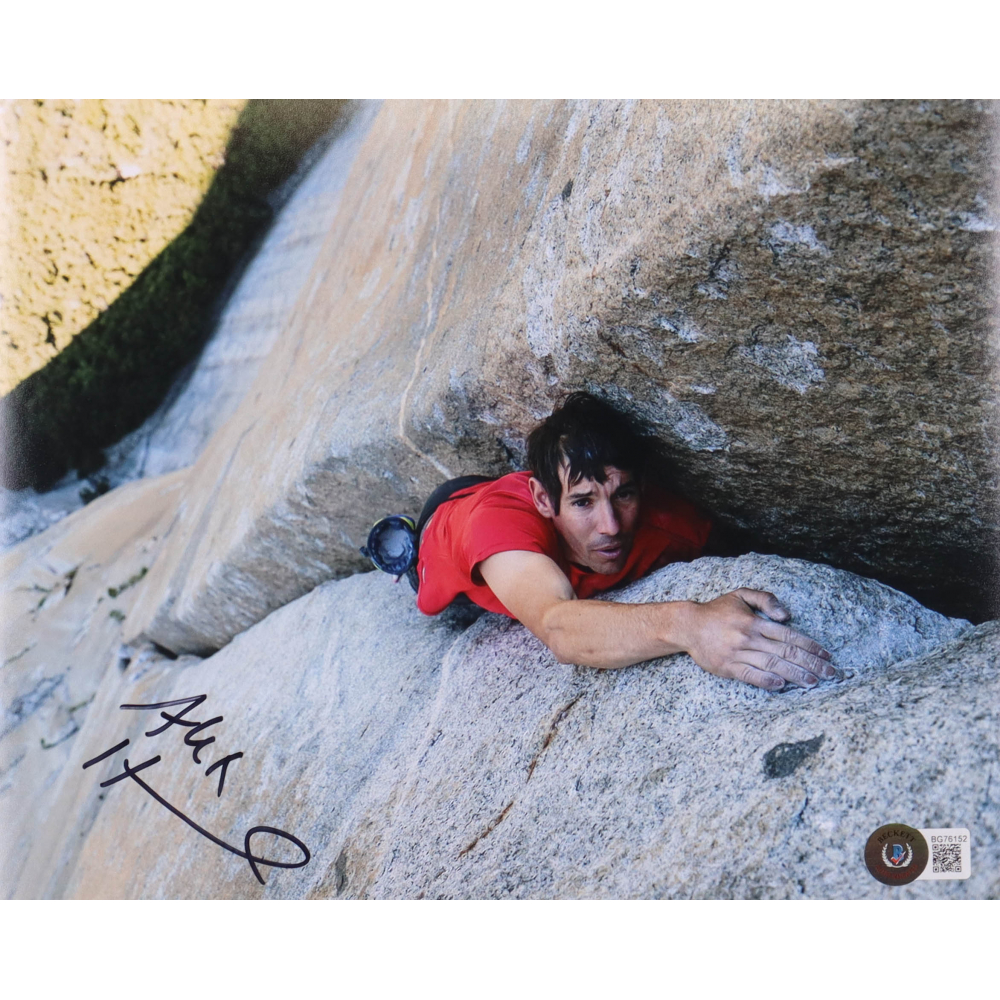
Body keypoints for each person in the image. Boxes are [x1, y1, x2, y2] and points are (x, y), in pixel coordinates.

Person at [377, 392, 836, 691]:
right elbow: (558, 629)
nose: (612, 526)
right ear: (543, 499)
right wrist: (691, 625)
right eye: (582, 502)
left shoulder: (672, 526)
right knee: (445, 589)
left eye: (624, 495)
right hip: (455, 526)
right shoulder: (495, 525)